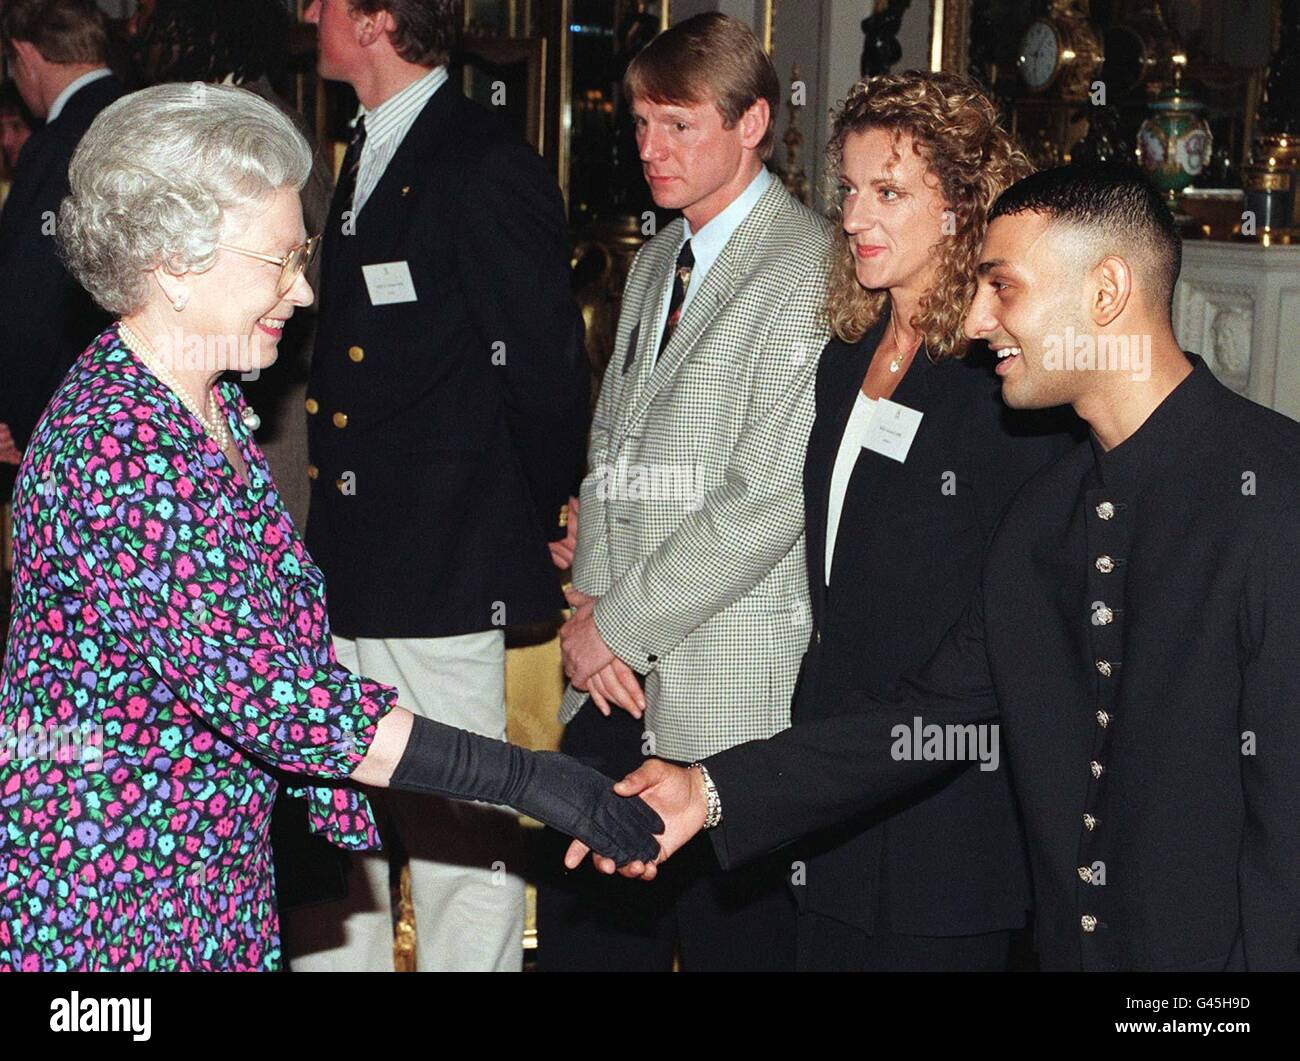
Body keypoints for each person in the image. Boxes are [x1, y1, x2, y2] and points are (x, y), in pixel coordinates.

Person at [572, 163, 1300, 972]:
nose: (979, 317)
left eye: (1004, 287)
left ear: (1106, 292)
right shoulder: (1043, 518)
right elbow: (918, 721)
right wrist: (706, 792)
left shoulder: (1272, 498)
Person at [0, 82, 660, 973]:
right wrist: (529, 778)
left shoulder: (213, 406)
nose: (303, 291)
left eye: (301, 255)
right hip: (117, 890)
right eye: (278, 260)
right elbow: (283, 704)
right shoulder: (117, 446)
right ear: (172, 263)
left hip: (207, 869)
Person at [286, 0, 590, 973]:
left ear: (376, 18)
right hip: (353, 552)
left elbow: (543, 374)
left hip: (447, 556)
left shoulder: (479, 159)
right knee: (348, 812)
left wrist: (544, 510)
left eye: (326, 1)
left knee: (464, 823)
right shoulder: (364, 147)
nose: (306, 14)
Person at [537, 13, 832, 972]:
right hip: (612, 680)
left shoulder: (809, 266)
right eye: (639, 125)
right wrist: (590, 595)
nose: (650, 150)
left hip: (728, 695)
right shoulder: (661, 254)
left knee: (731, 949)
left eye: (678, 125)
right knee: (586, 939)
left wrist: (614, 621)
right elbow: (616, 437)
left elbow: (764, 501)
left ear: (751, 124)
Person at [779, 71, 1076, 972]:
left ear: (959, 206)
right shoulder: (849, 354)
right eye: (850, 191)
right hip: (833, 775)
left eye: (890, 191)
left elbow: (1015, 629)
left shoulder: (1002, 383)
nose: (857, 214)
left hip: (946, 811)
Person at [0, 0, 123, 490]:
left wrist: (13, 416)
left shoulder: (58, 145)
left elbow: (31, 296)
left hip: (65, 416)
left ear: (24, 54)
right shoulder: (143, 116)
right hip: (135, 399)